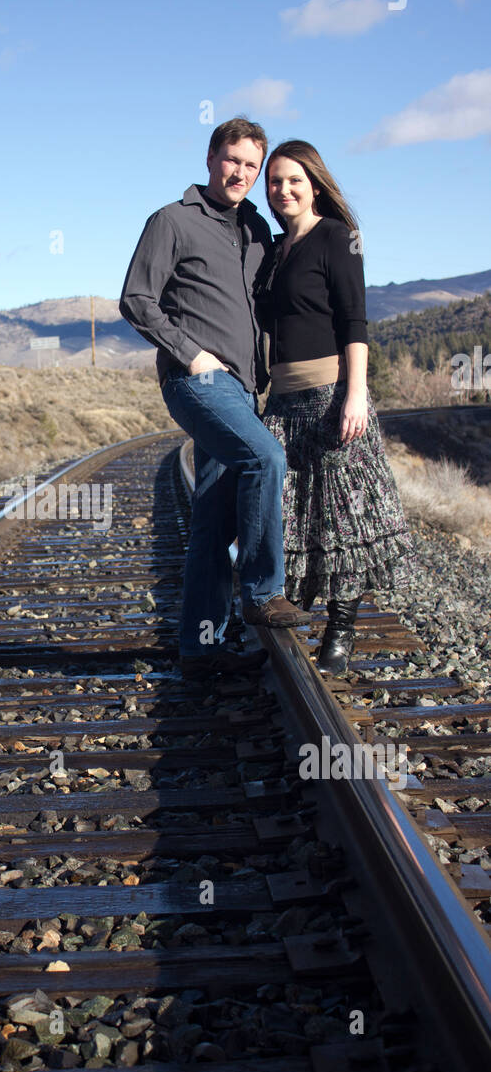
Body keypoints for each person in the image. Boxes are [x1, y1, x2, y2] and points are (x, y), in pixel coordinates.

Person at [119, 117, 311, 683]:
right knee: (266, 458)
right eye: (233, 160)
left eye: (253, 165)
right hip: (198, 380)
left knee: (210, 520)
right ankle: (261, 592)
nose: (242, 173)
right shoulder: (173, 221)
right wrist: (191, 353)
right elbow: (136, 299)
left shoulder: (256, 230)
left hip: (246, 390)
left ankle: (200, 650)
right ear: (210, 158)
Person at [256, 140, 415, 675]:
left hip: (330, 396)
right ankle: (291, 610)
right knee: (289, 512)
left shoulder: (337, 239)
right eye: (274, 181)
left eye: (293, 180)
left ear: (315, 184)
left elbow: (354, 321)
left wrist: (356, 393)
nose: (283, 190)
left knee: (339, 518)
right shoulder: (274, 252)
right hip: (281, 400)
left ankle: (341, 630)